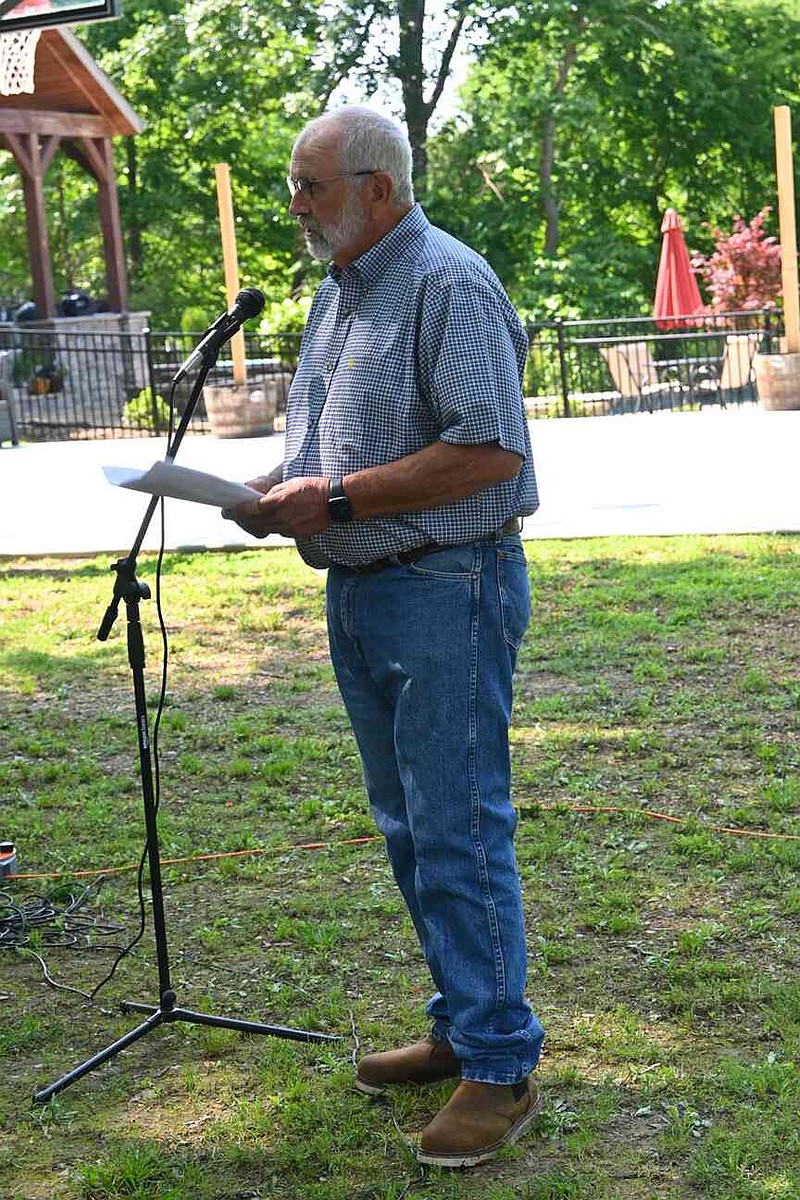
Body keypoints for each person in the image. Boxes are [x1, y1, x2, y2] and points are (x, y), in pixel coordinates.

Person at [225, 105, 545, 1169]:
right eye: (293, 188)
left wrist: (342, 501)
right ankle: (462, 1024)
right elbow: (329, 441)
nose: (297, 208)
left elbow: (491, 451)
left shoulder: (449, 280)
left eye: (310, 187)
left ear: (376, 187)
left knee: (455, 826)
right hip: (364, 591)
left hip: (446, 586)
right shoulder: (339, 289)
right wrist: (273, 490)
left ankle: (499, 1067)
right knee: (410, 827)